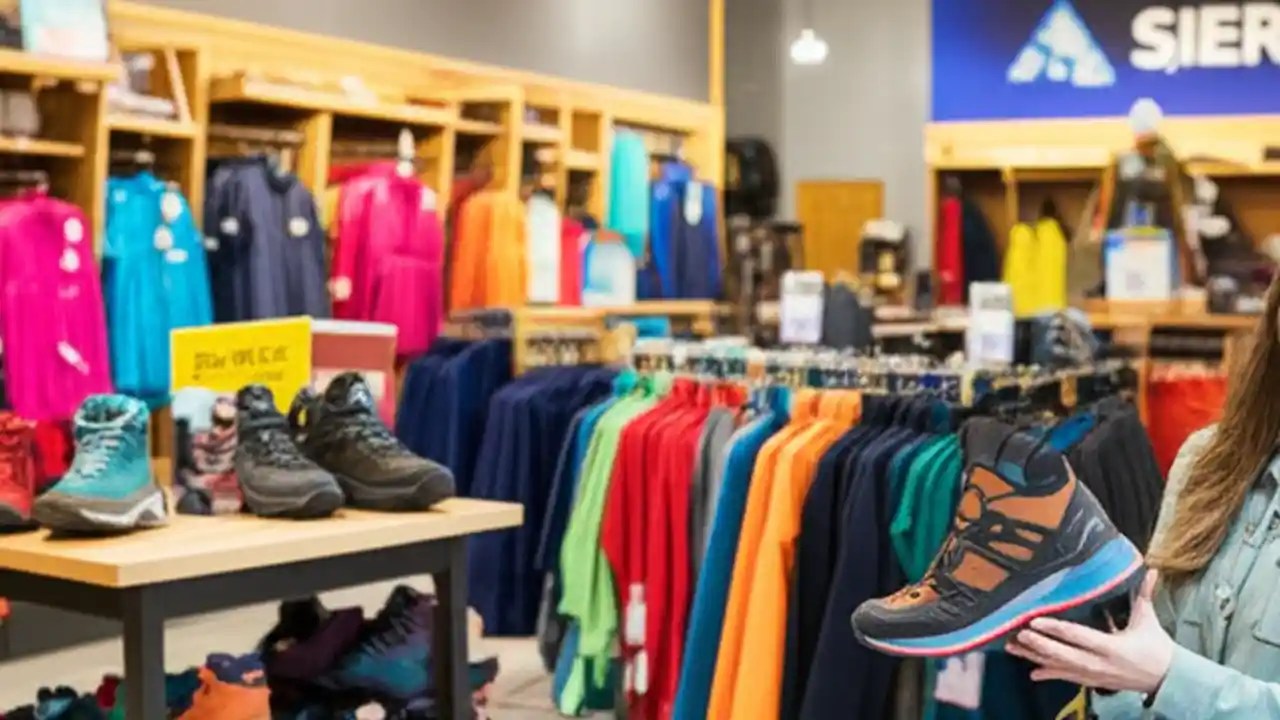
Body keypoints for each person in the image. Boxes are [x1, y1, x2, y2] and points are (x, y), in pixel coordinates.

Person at [1007, 274, 1280, 718]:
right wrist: (1112, 677)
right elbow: (1148, 656)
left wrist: (1167, 676)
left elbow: (1160, 669)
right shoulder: (1207, 463)